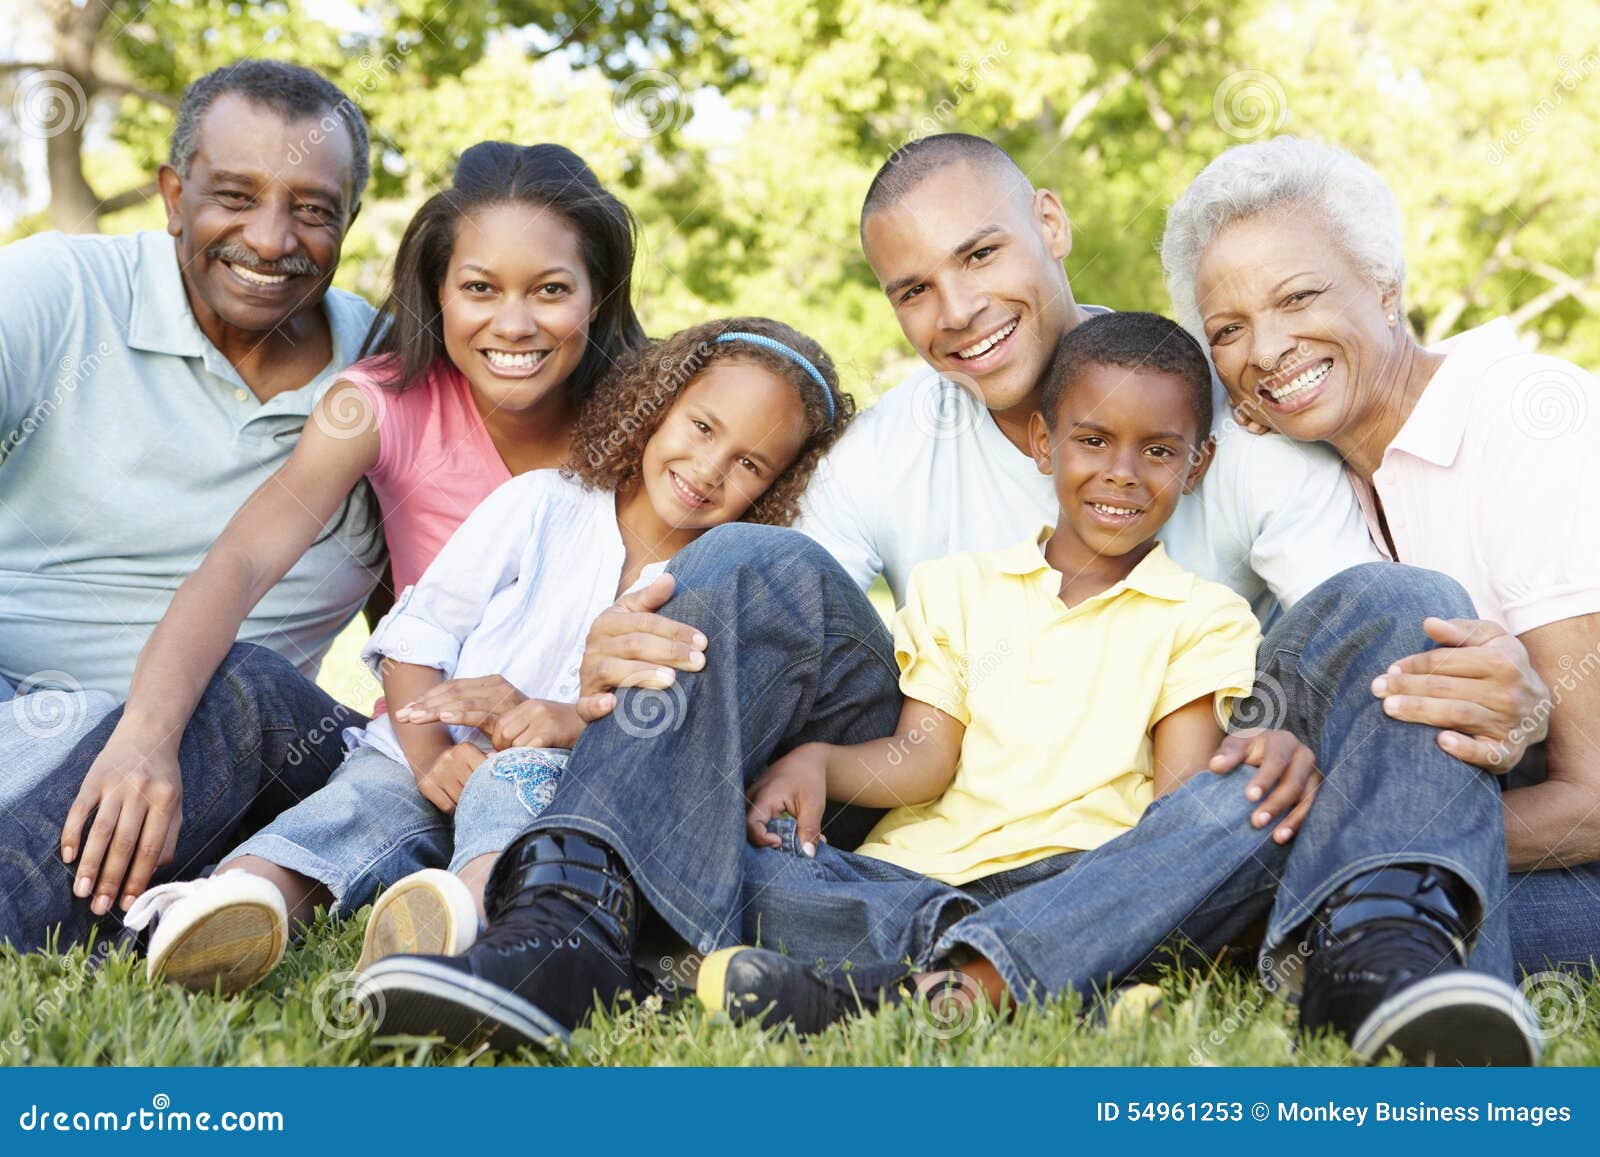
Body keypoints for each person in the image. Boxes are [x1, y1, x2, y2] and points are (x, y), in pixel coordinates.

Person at [354, 135, 1543, 1066]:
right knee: (738, 566)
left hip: (1167, 821)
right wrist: (625, 665)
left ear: (1049, 223)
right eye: (913, 288)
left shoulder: (1214, 413)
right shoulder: (889, 448)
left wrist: (1315, 731)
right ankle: (565, 924)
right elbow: (774, 636)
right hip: (932, 821)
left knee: (1400, 602)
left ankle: (1379, 955)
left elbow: (1352, 646)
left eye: (979, 257)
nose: (956, 311)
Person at [3, 139, 648, 951]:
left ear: (598, 293)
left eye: (552, 290)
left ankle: (476, 913)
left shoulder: (656, 420)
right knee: (249, 685)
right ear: (437, 293)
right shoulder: (382, 402)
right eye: (478, 288)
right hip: (416, 752)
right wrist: (145, 739)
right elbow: (239, 564)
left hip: (591, 748)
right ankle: (178, 906)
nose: (512, 323)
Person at [121, 317, 852, 995]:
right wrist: (432, 755)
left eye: (750, 464)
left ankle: (457, 927)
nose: (709, 468)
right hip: (422, 753)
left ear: (777, 485)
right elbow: (416, 639)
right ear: (659, 402)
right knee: (358, 810)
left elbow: (673, 741)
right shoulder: (540, 504)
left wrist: (562, 722)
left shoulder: (719, 587)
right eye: (701, 426)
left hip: (551, 789)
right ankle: (238, 896)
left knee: (511, 815)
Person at [697, 311, 1277, 1030]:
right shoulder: (958, 587)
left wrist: (1138, 888)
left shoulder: (1204, 616)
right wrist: (818, 760)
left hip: (1073, 879)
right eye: (1092, 440)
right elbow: (922, 760)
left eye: (1158, 450)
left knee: (1229, 828)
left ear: (1197, 464)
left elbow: (1177, 815)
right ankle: (1055, 979)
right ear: (1044, 441)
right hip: (915, 877)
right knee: (759, 867)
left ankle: (876, 992)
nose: (1120, 473)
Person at [1161, 134, 1600, 977]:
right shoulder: (1324, 474)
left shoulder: (1526, 424)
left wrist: (1358, 837)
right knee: (1286, 929)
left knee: (1322, 929)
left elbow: (1593, 794)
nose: (1265, 349)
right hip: (1488, 829)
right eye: (1230, 330)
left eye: (1298, 298)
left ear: (1386, 289)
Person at [0, 59, 380, 944]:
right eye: (235, 196)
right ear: (175, 196)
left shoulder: (388, 380)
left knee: (239, 689)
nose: (272, 238)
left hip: (215, 751)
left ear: (348, 223)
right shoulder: (59, 290)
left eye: (313, 209)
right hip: (20, 705)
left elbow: (446, 601)